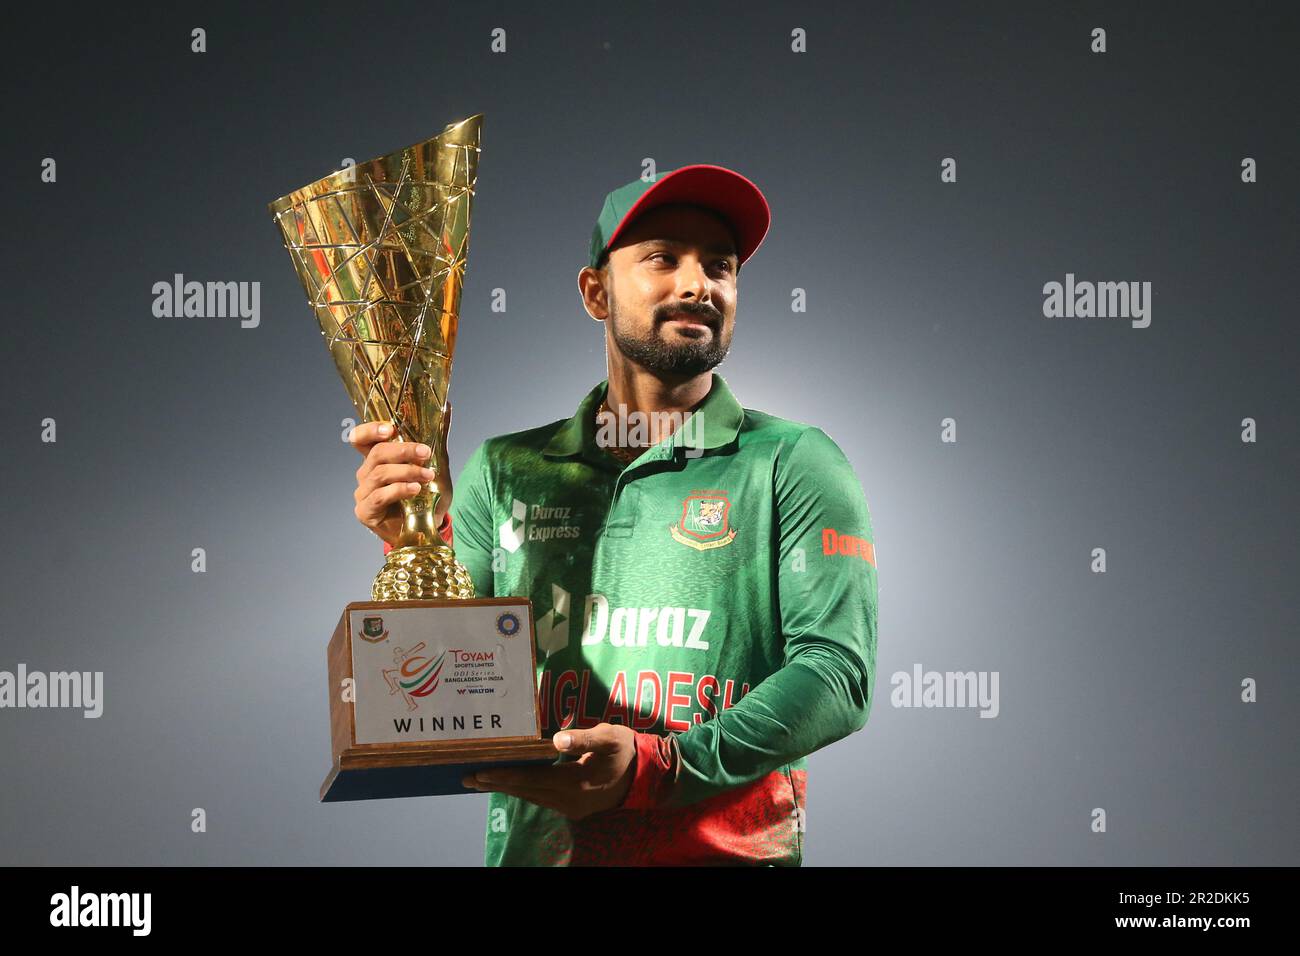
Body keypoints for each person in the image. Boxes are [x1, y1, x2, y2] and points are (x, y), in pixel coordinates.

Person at [349, 165, 879, 866]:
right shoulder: (506, 470)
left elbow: (838, 673)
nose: (698, 284)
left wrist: (657, 768)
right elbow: (444, 702)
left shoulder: (793, 461)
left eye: (719, 266)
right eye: (663, 258)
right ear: (595, 292)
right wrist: (410, 542)